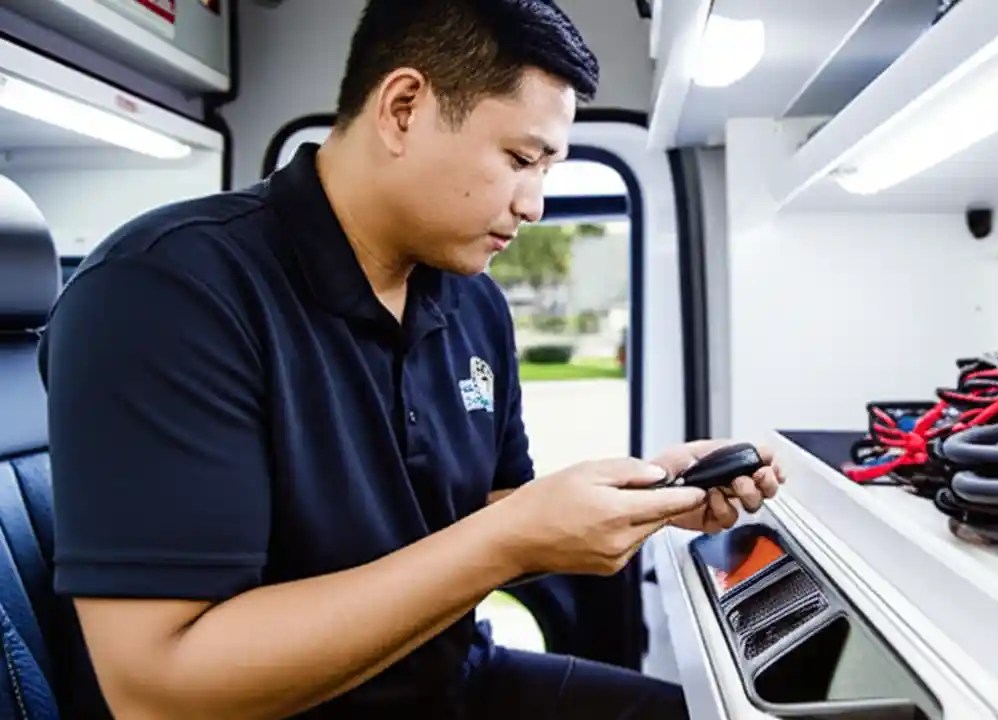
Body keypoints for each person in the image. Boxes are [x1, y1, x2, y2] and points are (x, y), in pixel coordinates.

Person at [38, 1, 785, 718]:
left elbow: (491, 511)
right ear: (403, 109)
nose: (534, 205)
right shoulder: (166, 291)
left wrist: (649, 496)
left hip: (447, 680)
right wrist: (507, 541)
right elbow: (162, 690)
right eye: (522, 159)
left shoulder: (473, 302)